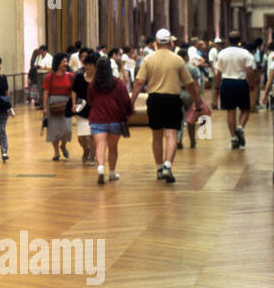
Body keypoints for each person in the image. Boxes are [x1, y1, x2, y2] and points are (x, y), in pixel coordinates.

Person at [131, 28, 200, 184]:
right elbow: (189, 84)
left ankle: (159, 168)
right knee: (171, 134)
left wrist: (131, 102)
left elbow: (139, 82)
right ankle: (168, 165)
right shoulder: (178, 60)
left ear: (156, 43)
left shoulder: (148, 60)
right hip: (172, 100)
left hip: (154, 99)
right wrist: (197, 101)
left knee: (156, 135)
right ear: (170, 43)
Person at [89, 52, 134, 185]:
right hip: (115, 119)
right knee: (113, 148)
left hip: (97, 119)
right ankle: (112, 173)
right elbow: (126, 101)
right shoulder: (118, 83)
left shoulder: (93, 84)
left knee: (100, 145)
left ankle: (101, 168)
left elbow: (90, 101)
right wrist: (128, 113)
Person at [214, 31, 256, 150]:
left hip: (226, 83)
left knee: (230, 111)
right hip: (241, 83)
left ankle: (233, 138)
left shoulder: (222, 53)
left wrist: (217, 86)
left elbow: (219, 72)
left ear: (228, 40)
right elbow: (250, 71)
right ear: (239, 40)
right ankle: (241, 127)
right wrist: (252, 84)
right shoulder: (245, 53)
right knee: (246, 109)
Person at [41, 52, 74, 161]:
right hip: (53, 103)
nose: (66, 63)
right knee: (53, 130)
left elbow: (73, 92)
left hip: (66, 103)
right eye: (64, 61)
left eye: (66, 61)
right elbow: (45, 93)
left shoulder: (70, 76)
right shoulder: (49, 77)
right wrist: (45, 107)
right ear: (58, 62)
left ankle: (63, 145)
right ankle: (56, 152)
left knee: (67, 129)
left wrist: (74, 104)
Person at [73, 52, 96, 165]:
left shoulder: (98, 80)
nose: (87, 67)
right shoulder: (79, 77)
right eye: (86, 65)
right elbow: (74, 91)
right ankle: (86, 149)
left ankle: (92, 157)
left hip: (95, 109)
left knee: (93, 135)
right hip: (81, 108)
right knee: (81, 136)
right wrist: (73, 104)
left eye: (90, 65)